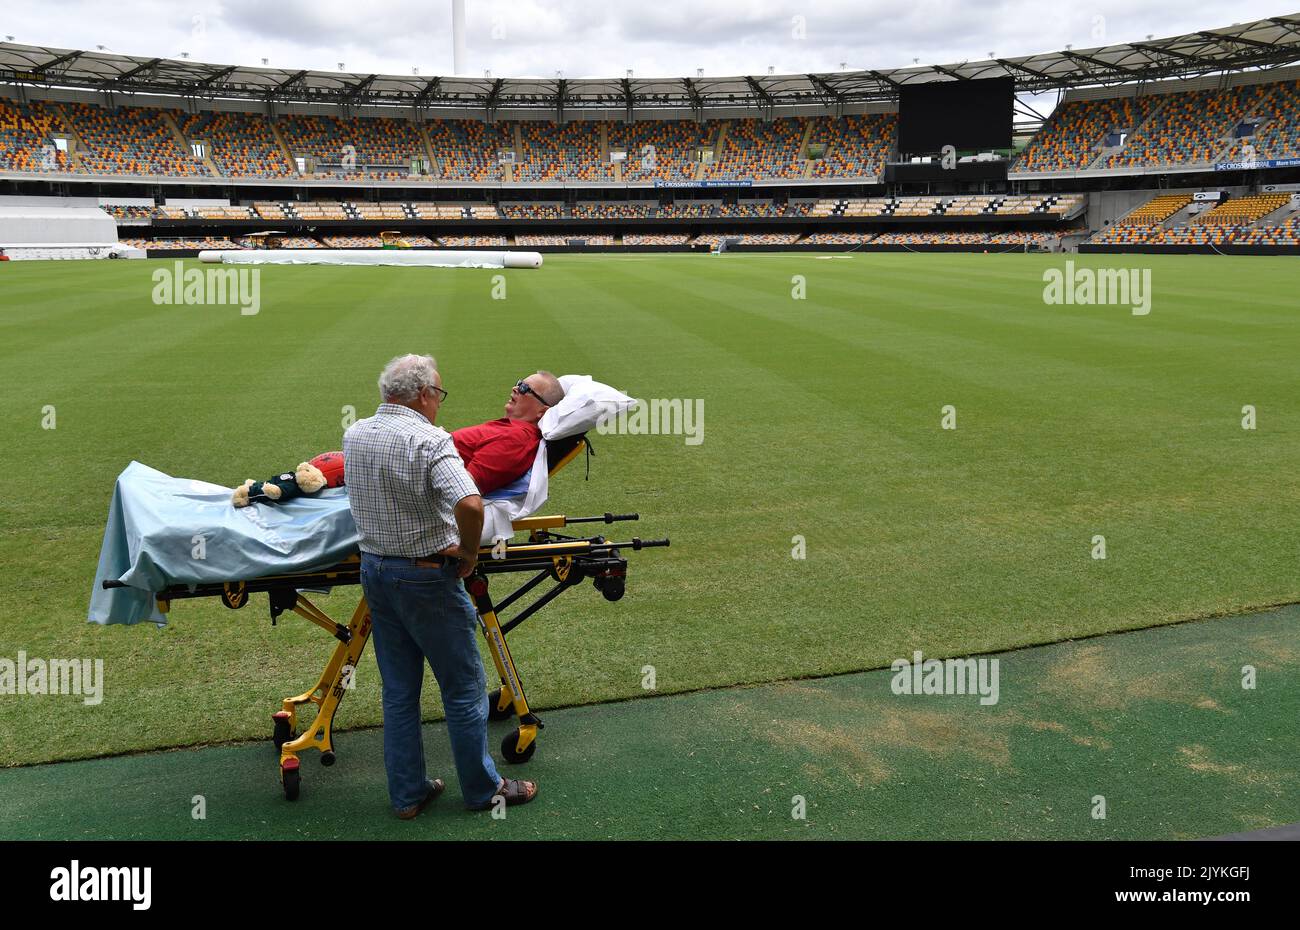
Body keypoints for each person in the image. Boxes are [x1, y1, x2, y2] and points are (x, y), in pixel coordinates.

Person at [343, 353, 538, 819]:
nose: (439, 404)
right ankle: (482, 790)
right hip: (428, 576)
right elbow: (470, 503)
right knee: (464, 688)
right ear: (425, 395)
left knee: (399, 690)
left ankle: (408, 794)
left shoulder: (355, 433)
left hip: (376, 572)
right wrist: (470, 554)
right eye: (439, 394)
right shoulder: (429, 441)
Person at [451, 371, 564, 494]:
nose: (515, 388)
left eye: (525, 388)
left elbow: (465, 489)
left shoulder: (516, 440)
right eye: (519, 383)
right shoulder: (513, 430)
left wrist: (439, 443)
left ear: (541, 411)